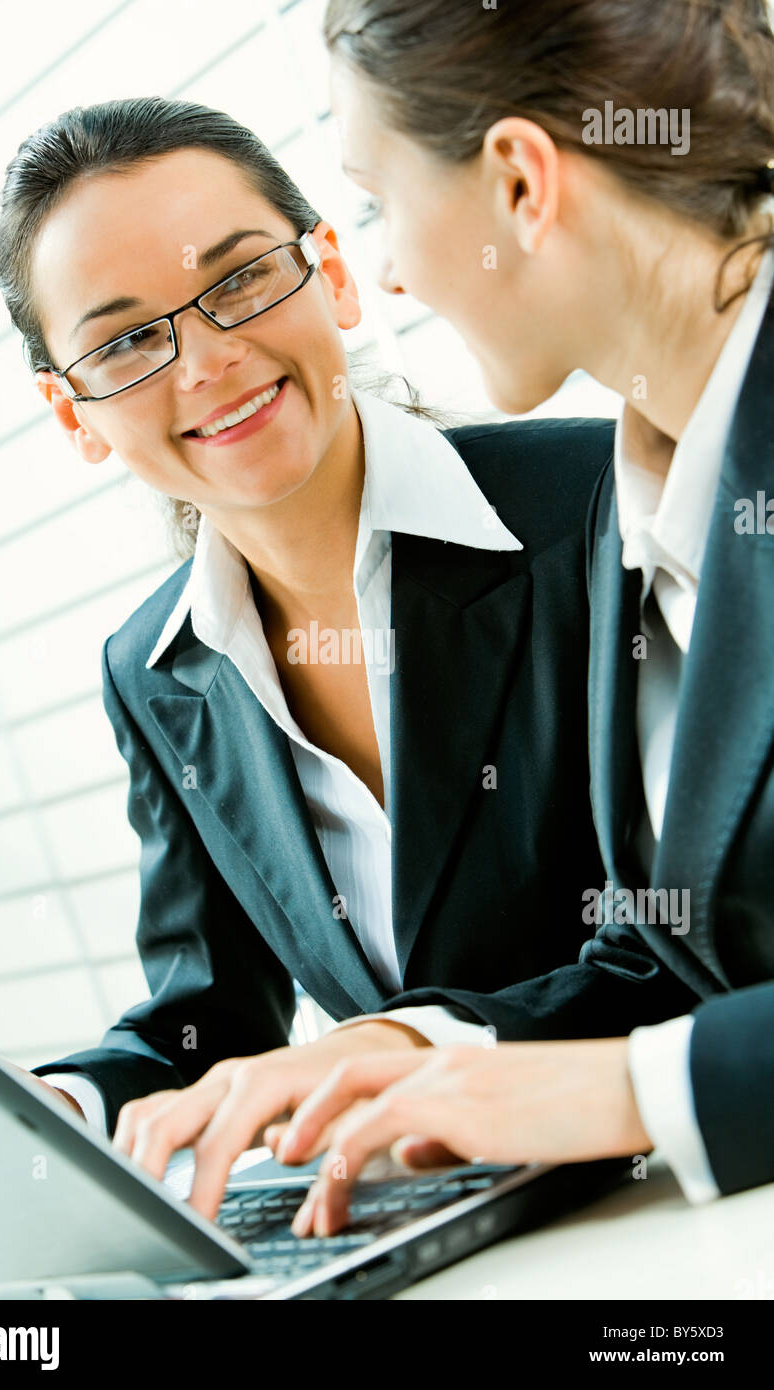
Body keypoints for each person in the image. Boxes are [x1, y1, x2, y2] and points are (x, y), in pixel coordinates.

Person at [0, 96, 616, 1217]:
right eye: (128, 339)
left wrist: (395, 1042)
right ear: (73, 412)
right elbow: (213, 1016)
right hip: (428, 1227)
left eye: (237, 280)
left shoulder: (597, 505)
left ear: (329, 271)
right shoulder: (152, 671)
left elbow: (703, 931)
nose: (208, 359)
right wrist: (61, 1112)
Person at [270, 0, 774, 1237]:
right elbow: (686, 953)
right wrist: (422, 1050)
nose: (380, 269)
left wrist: (636, 1092)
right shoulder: (641, 502)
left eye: (378, 202)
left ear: (515, 183)